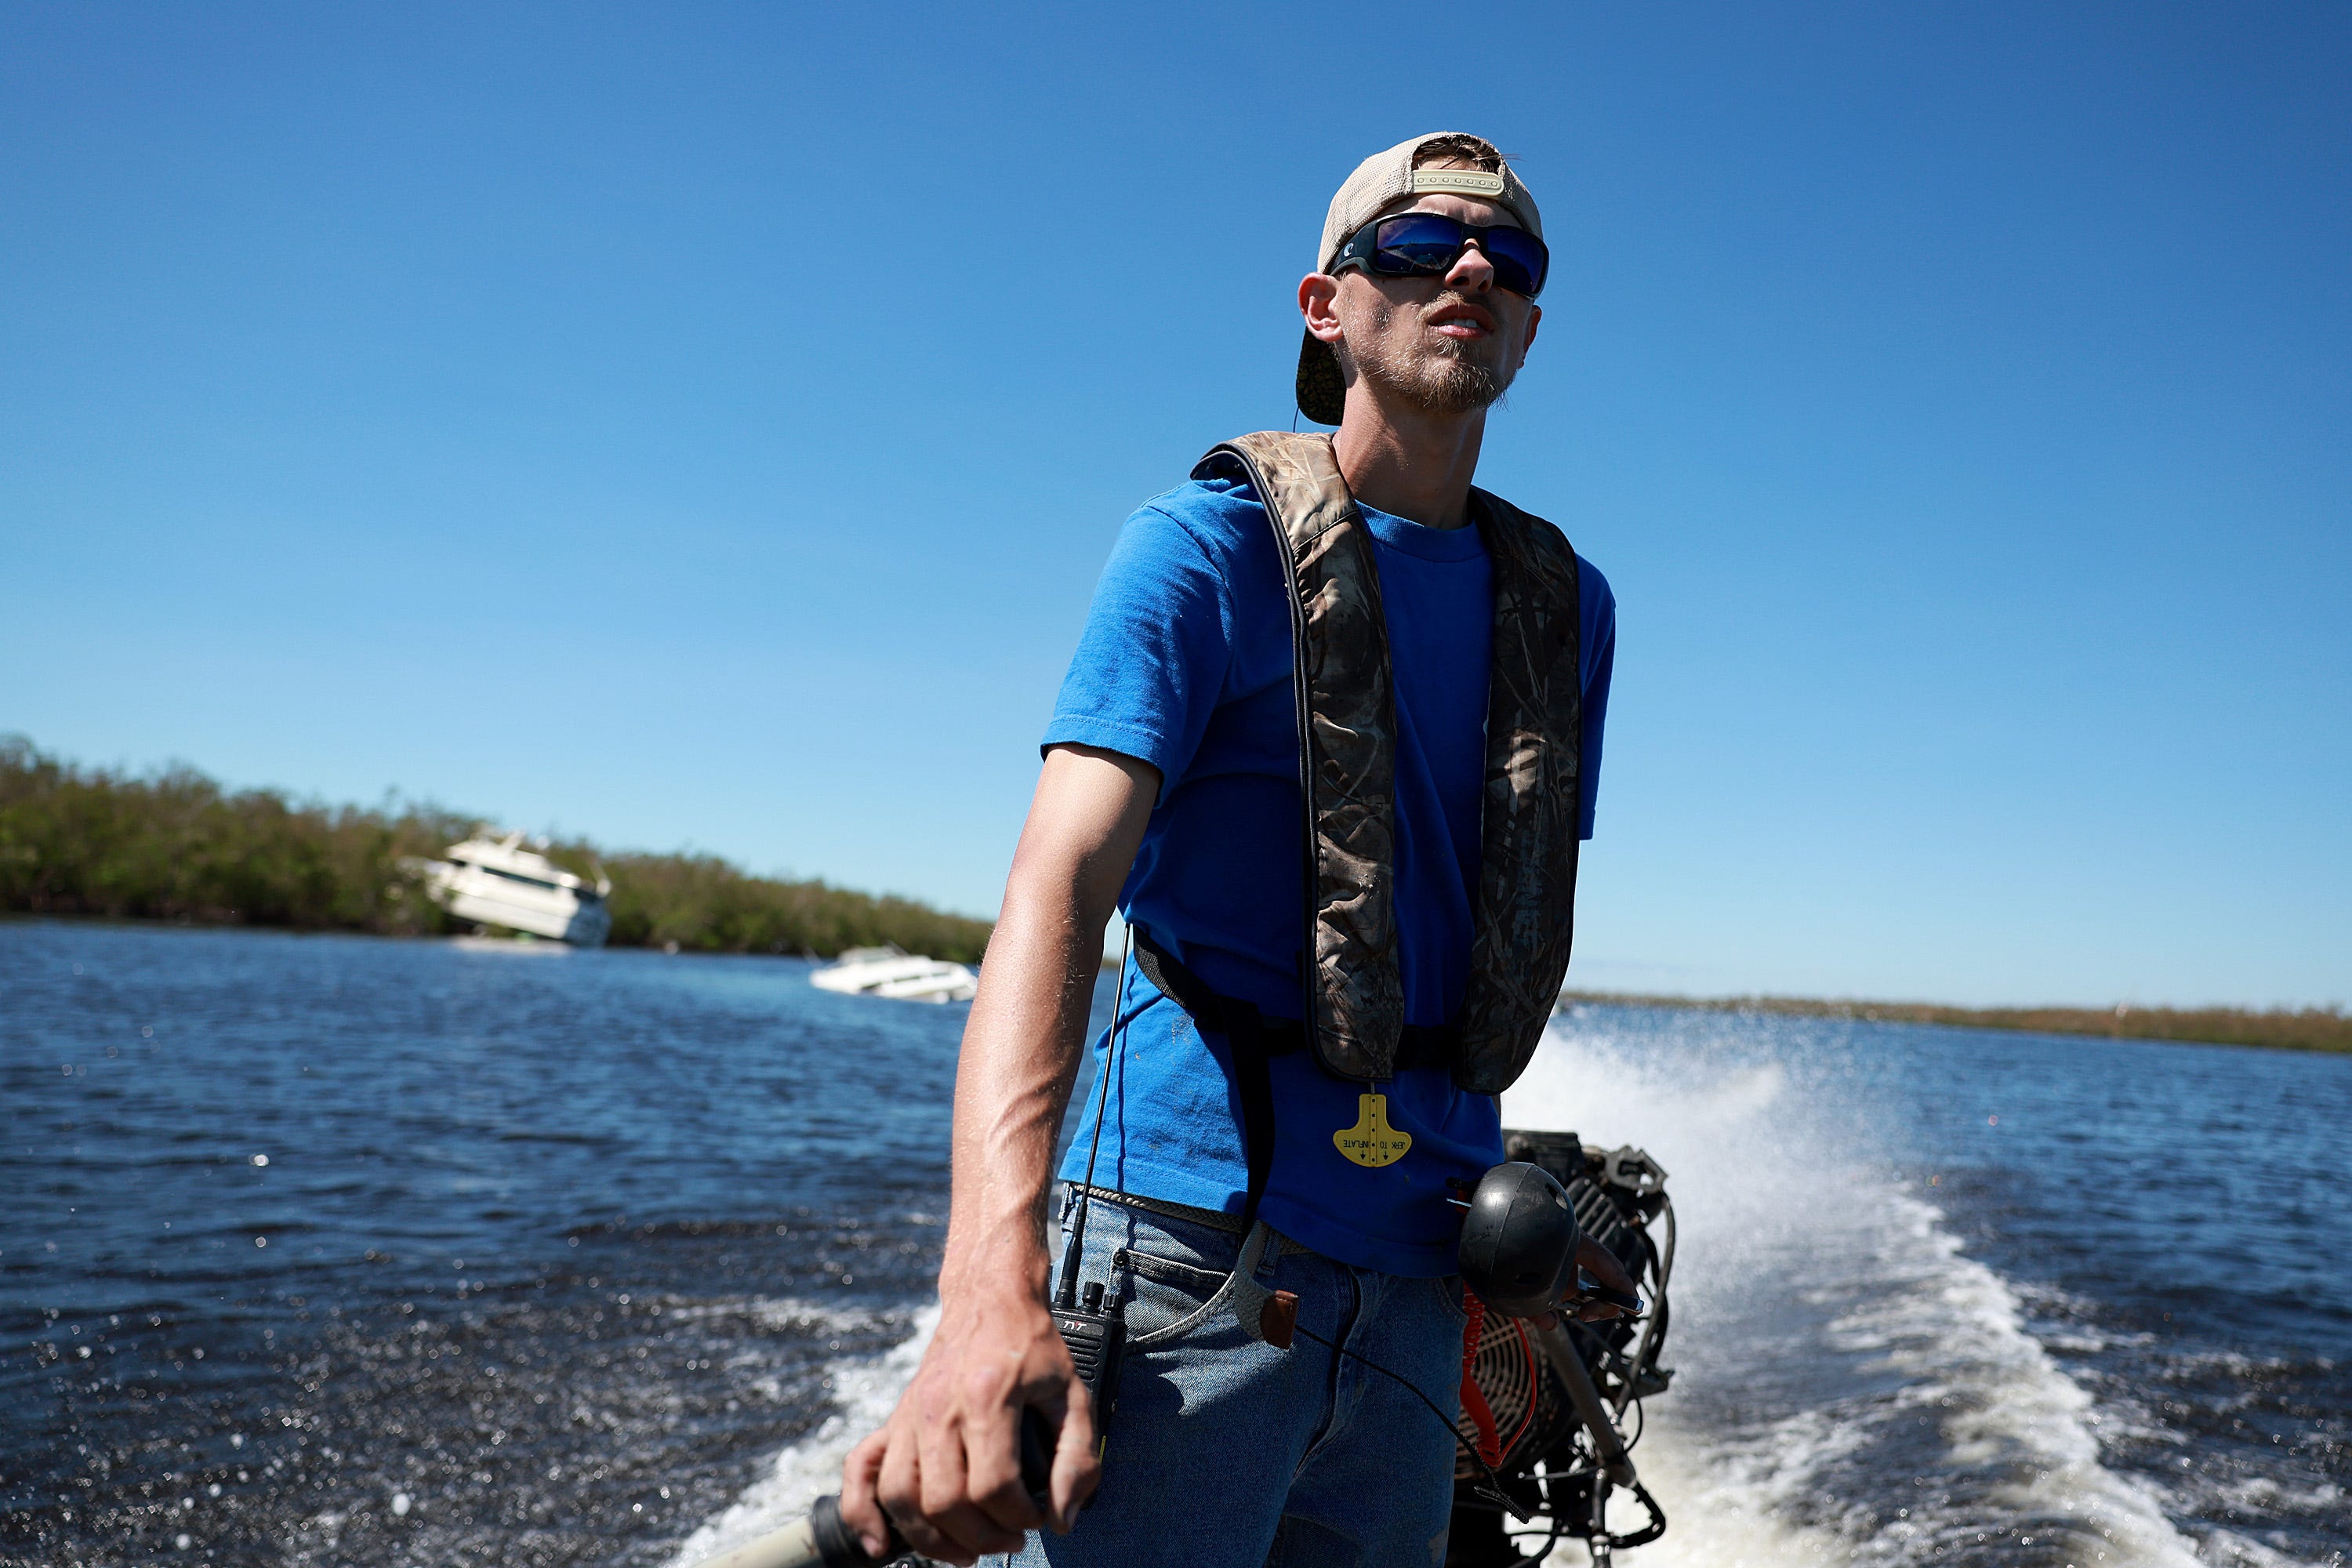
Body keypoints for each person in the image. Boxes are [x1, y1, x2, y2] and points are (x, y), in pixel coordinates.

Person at [840, 132, 1630, 1568]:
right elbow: (1056, 886)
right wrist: (983, 1290)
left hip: (1424, 1279)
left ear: (1528, 321)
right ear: (1325, 306)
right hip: (1188, 1258)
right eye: (1416, 244)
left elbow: (1460, 929)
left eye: (1506, 261)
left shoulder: (1569, 609)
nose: (1468, 268)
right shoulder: (1199, 550)